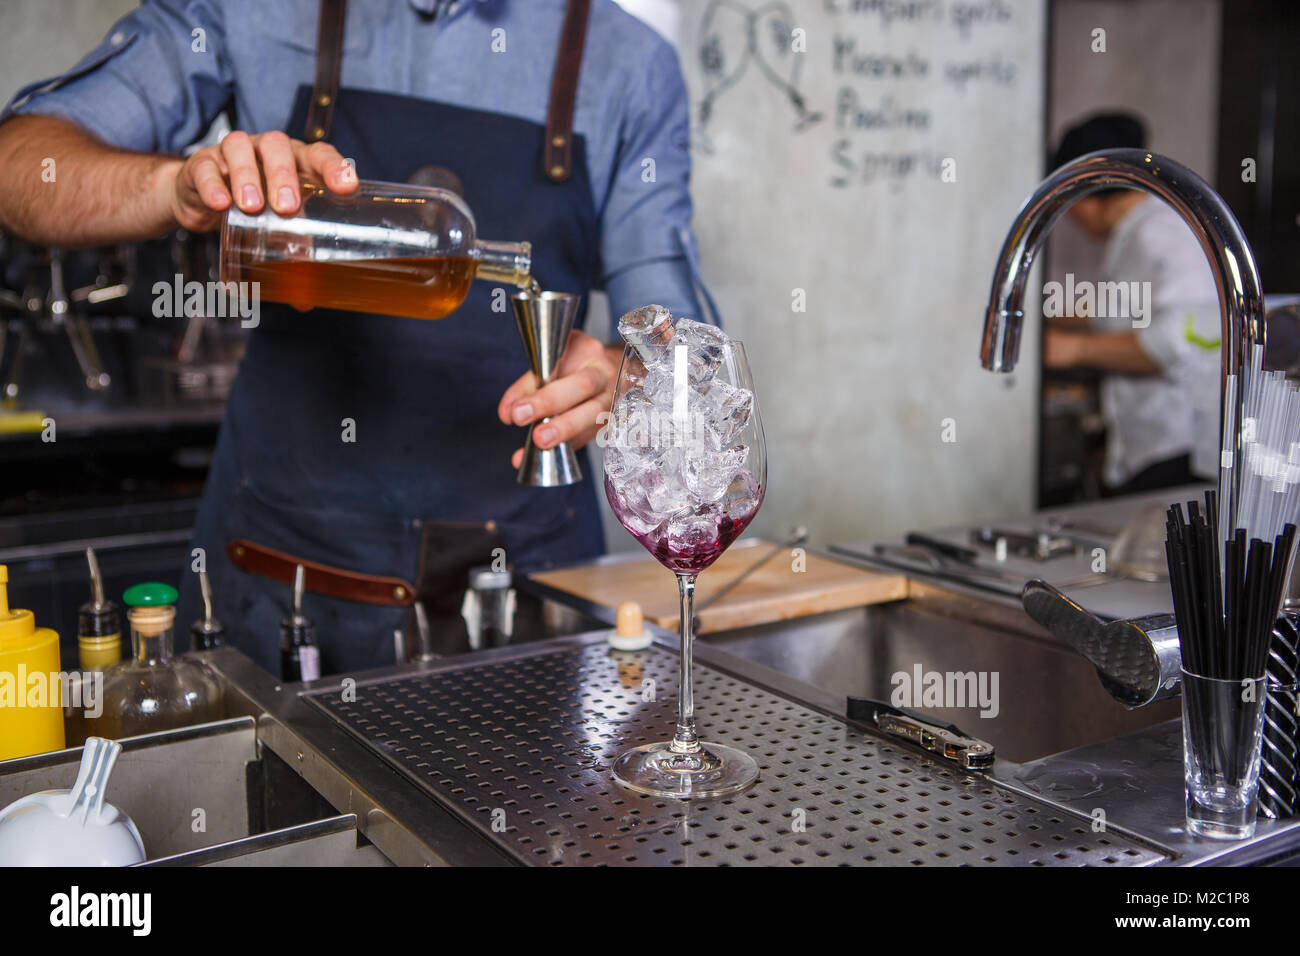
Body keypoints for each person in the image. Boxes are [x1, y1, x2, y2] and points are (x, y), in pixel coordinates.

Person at [0, 0, 704, 674]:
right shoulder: (248, 10)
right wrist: (175, 190)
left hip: (521, 583)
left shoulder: (629, 62)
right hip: (277, 573)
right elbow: (21, 163)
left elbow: (680, 341)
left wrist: (622, 374)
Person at [1043, 112, 1220, 496]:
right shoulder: (1135, 233)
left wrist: (1069, 349)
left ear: (1082, 199)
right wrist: (1046, 318)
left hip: (1178, 450)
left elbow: (1177, 340)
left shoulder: (1162, 233)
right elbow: (1123, 306)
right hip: (1147, 450)